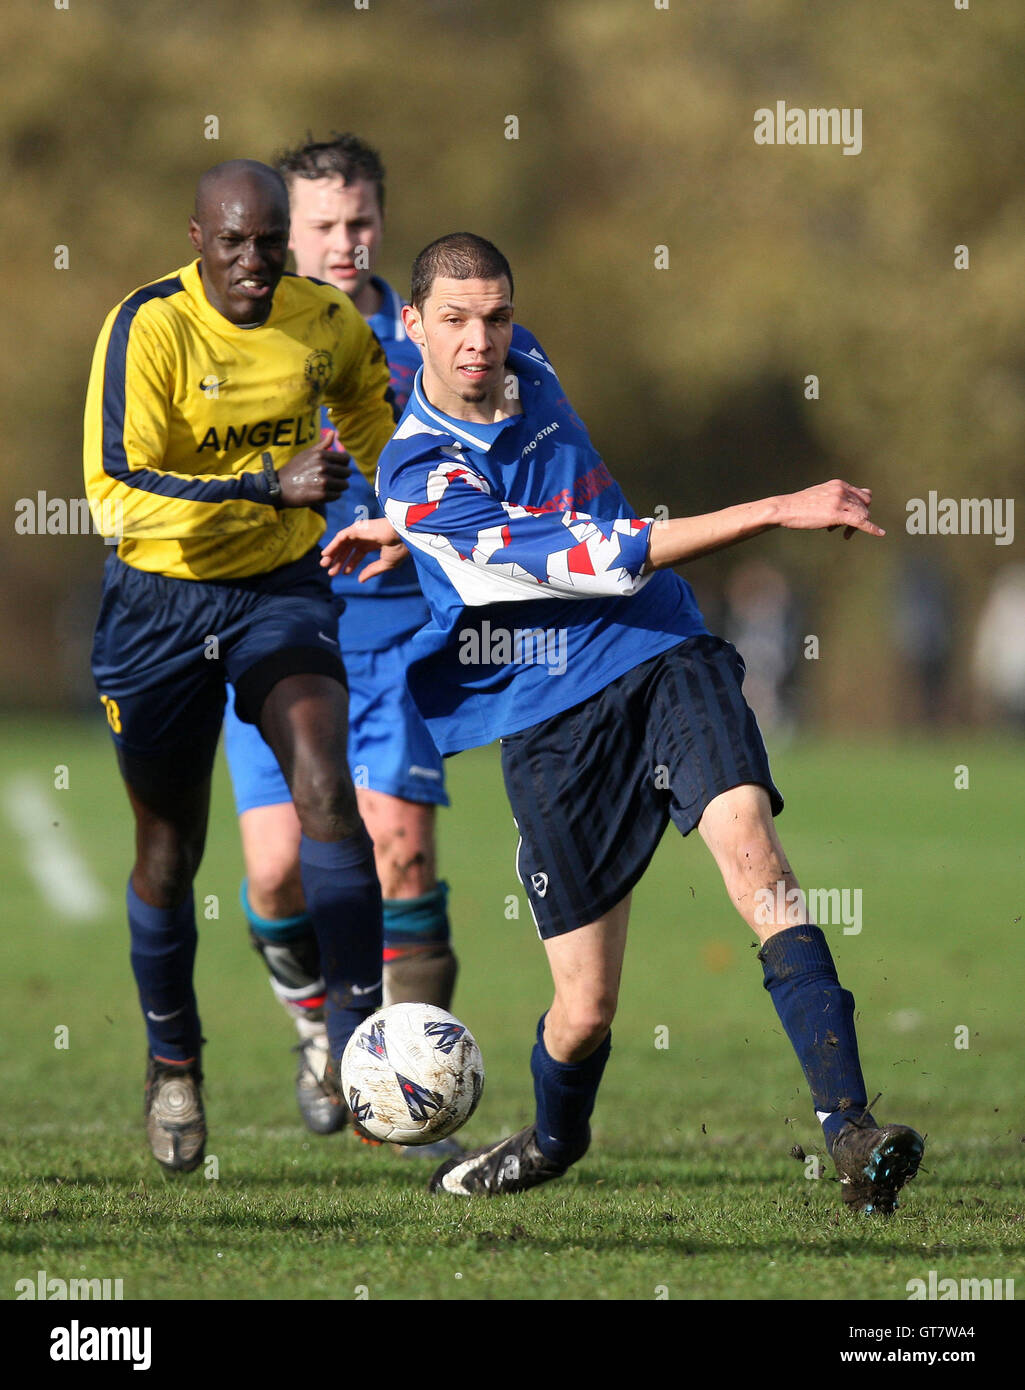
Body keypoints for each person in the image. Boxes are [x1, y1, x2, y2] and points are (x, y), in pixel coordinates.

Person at [323, 232, 926, 1215]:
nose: (481, 339)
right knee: (584, 1007)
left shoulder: (529, 363)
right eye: (455, 319)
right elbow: (603, 555)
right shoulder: (416, 472)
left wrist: (405, 532)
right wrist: (776, 507)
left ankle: (849, 1131)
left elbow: (578, 547)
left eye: (496, 315)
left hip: (659, 652)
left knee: (751, 853)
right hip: (549, 717)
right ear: (412, 325)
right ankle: (553, 1139)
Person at [221, 136, 545, 1148]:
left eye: (359, 220)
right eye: (322, 224)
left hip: (397, 636)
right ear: (289, 230)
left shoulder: (424, 344)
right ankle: (325, 1036)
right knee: (277, 872)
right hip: (274, 631)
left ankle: (406, 1093)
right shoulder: (244, 343)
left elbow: (493, 460)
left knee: (398, 847)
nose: (344, 241)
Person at [84, 159, 397, 1172]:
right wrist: (269, 483)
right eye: (234, 243)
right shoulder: (148, 328)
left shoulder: (325, 321)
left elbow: (376, 415)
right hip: (159, 604)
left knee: (323, 784)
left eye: (270, 241)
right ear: (197, 240)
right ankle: (173, 1061)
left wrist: (405, 501)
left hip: (280, 591)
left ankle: (357, 1047)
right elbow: (116, 492)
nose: (256, 261)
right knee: (170, 850)